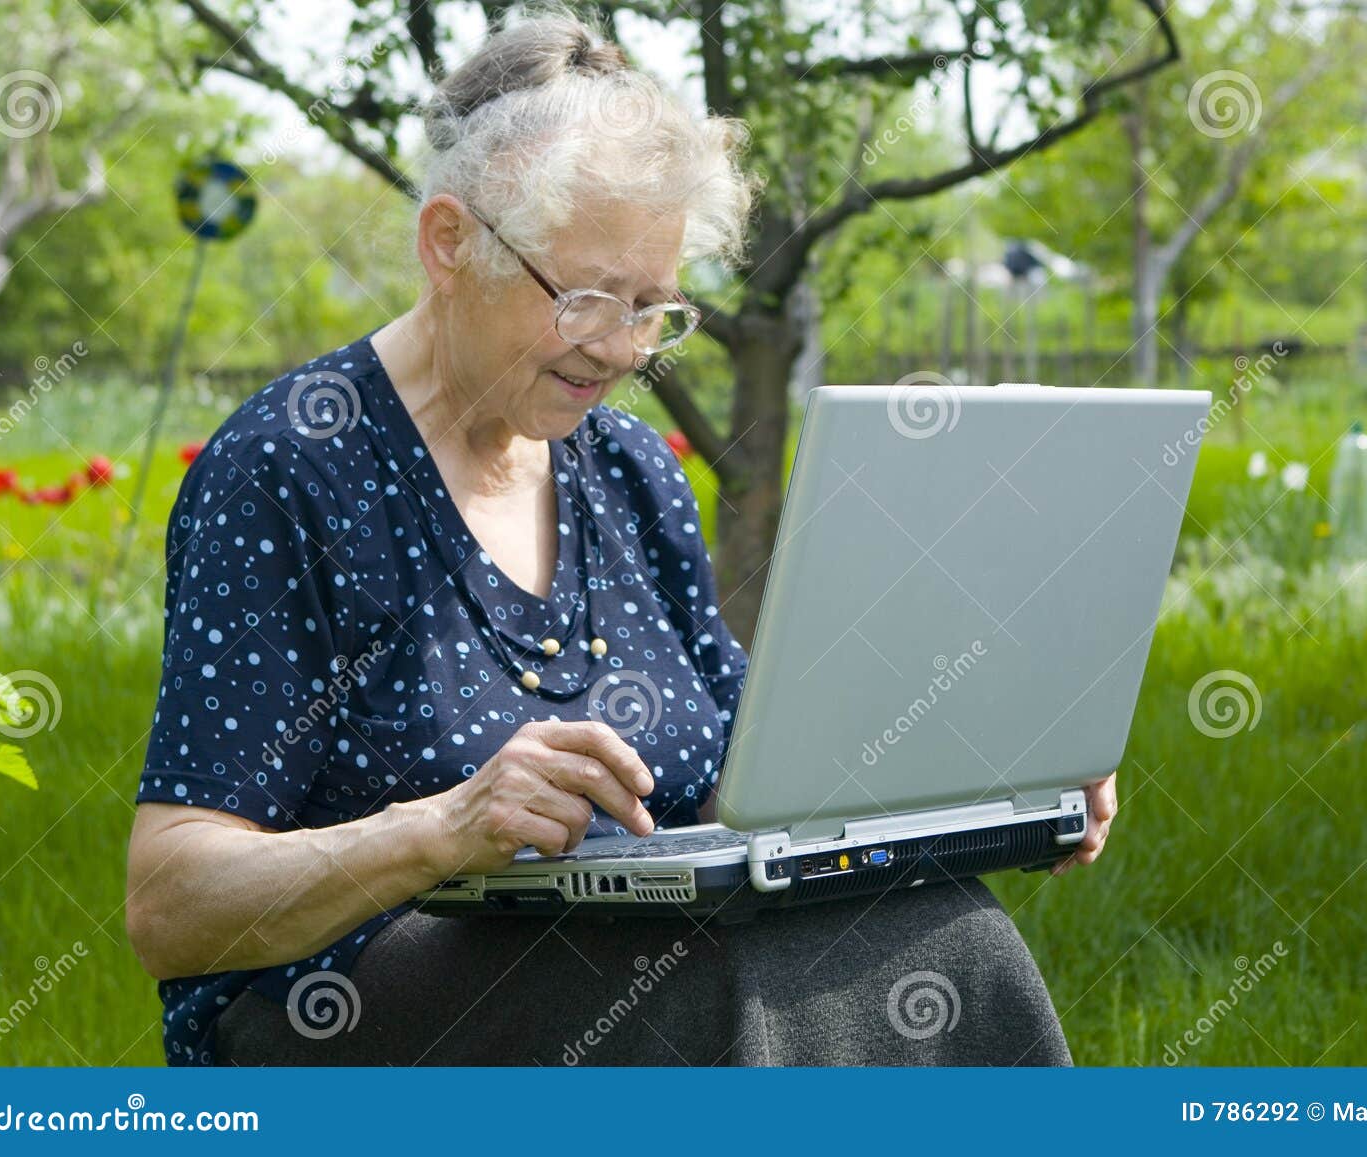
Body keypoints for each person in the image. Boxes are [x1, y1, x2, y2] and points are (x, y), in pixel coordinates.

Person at [124, 7, 1116, 1067]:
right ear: (449, 242)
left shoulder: (631, 472)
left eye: (654, 306)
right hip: (347, 1005)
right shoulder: (288, 469)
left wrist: (976, 765)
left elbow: (743, 780)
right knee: (707, 979)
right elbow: (169, 904)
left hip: (629, 955)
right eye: (588, 296)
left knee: (946, 933)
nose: (621, 347)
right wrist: (442, 829)